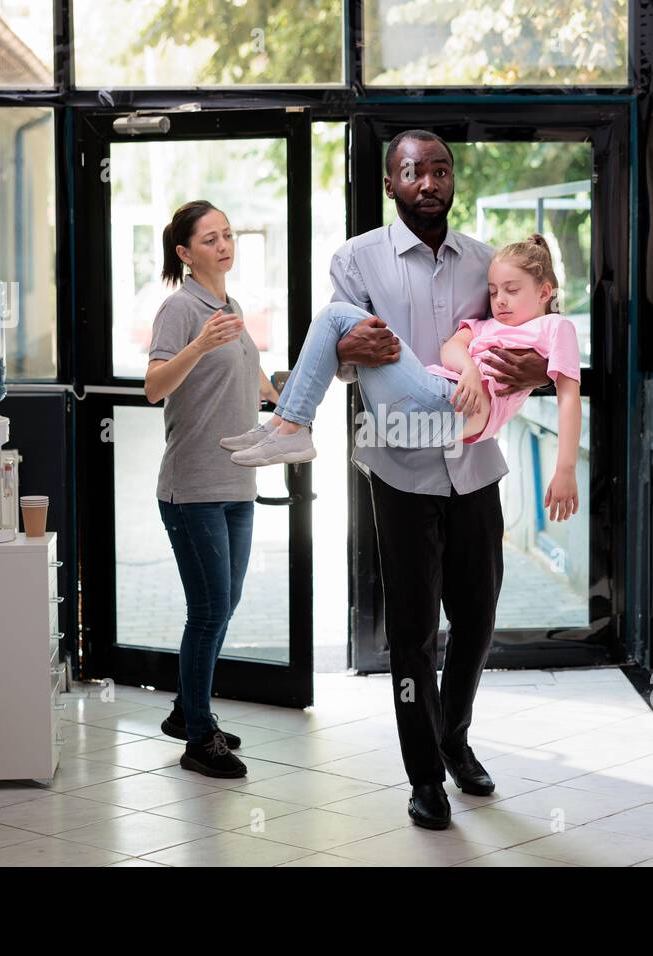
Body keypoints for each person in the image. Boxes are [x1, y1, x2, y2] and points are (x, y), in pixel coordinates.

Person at [240, 129, 553, 828]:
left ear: (452, 180)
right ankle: (424, 778)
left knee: (476, 619)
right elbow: (346, 358)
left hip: (473, 464)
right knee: (412, 634)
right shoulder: (357, 258)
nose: (429, 182)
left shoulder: (484, 260)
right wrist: (348, 349)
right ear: (391, 183)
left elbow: (533, 330)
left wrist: (536, 370)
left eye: (440, 170)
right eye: (414, 172)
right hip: (400, 466)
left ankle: (455, 738)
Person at [226, 237, 582, 525]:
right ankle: (283, 424)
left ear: (544, 291)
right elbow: (451, 350)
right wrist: (471, 370)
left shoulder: (554, 327)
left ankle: (289, 426)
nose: (500, 300)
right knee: (346, 326)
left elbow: (569, 397)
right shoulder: (487, 325)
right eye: (492, 291)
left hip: (453, 409)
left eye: (512, 290)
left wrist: (565, 470)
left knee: (336, 315)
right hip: (414, 421)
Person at [144, 200, 280, 779]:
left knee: (224, 606)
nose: (223, 246)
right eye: (209, 239)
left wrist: (285, 393)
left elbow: (249, 382)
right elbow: (154, 387)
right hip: (191, 487)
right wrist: (198, 344)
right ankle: (198, 739)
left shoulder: (232, 305)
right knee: (209, 611)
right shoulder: (180, 308)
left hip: (236, 481)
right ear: (184, 252)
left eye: (228, 235)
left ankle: (187, 710)